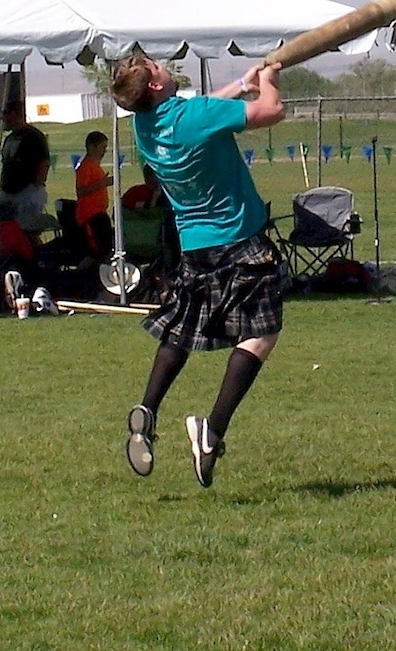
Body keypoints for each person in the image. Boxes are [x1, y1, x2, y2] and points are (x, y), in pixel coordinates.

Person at [111, 53, 285, 488]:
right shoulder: (195, 115)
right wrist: (269, 81)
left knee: (183, 330)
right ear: (154, 84)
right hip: (240, 241)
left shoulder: (145, 125)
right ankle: (214, 429)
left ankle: (148, 407)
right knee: (260, 333)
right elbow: (271, 112)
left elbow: (201, 113)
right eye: (156, 65)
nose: (163, 66)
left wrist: (239, 85)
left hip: (195, 248)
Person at [0, 100, 51, 235]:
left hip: (26, 191)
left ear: (16, 114)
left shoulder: (34, 136)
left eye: (6, 114)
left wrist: (35, 188)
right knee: (6, 230)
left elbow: (44, 163)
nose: (3, 118)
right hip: (8, 190)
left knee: (27, 232)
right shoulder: (9, 138)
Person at [74, 130, 114, 258]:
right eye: (102, 147)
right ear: (92, 146)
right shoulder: (86, 167)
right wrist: (102, 183)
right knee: (97, 252)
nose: (104, 151)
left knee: (106, 248)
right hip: (90, 216)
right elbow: (80, 191)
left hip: (100, 214)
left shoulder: (95, 166)